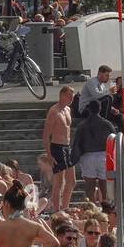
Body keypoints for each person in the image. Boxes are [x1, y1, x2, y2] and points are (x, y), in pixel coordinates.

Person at [43, 86, 76, 214]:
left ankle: (65, 207)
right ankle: (57, 210)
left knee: (72, 181)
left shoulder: (67, 109)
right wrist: (49, 154)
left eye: (72, 96)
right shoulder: (54, 111)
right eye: (69, 96)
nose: (71, 99)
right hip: (56, 146)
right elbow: (46, 135)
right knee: (59, 181)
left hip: (67, 146)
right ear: (62, 95)